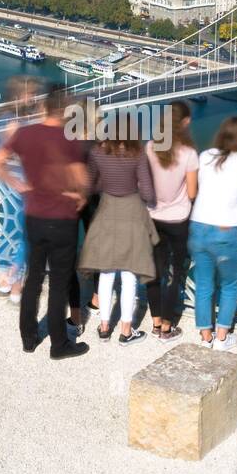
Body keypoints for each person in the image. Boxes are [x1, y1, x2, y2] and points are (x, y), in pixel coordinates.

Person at [0, 85, 90, 361]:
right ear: (66, 111)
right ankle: (59, 344)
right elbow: (81, 182)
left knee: (33, 278)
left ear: (44, 107)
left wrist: (21, 186)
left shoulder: (24, 133)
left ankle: (28, 339)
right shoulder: (70, 140)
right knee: (58, 282)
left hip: (34, 214)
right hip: (63, 218)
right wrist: (78, 195)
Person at [189, 116, 237, 351]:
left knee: (203, 284)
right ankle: (222, 338)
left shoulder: (205, 156)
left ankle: (205, 337)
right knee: (230, 285)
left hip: (199, 226)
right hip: (225, 231)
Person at [77, 119, 157, 345]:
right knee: (130, 274)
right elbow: (148, 192)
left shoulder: (98, 153)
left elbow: (90, 185)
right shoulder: (139, 154)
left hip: (106, 210)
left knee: (106, 271)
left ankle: (103, 328)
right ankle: (126, 330)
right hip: (131, 211)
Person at [145, 101, 198, 342]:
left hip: (152, 216)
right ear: (185, 122)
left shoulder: (150, 146)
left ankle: (155, 320)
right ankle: (167, 326)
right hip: (178, 219)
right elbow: (192, 192)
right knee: (176, 273)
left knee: (155, 270)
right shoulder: (189, 153)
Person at [0, 76, 40, 303]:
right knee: (21, 233)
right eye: (29, 93)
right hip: (18, 185)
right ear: (18, 96)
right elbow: (2, 159)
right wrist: (20, 185)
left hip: (17, 184)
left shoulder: (14, 118)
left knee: (14, 230)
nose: (33, 97)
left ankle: (10, 284)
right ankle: (10, 283)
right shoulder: (13, 122)